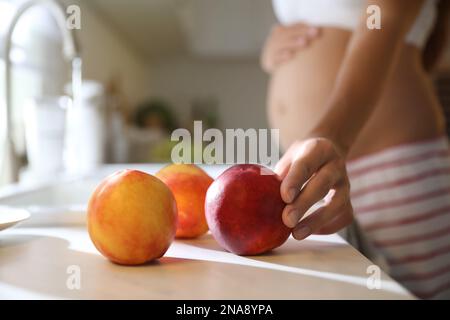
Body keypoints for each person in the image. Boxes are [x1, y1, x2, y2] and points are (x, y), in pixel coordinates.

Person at [261, 0, 450, 299]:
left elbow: (384, 16)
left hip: (392, 166)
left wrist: (330, 136)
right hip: (318, 177)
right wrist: (274, 51)